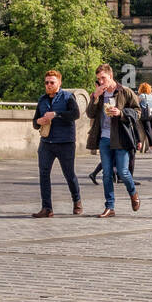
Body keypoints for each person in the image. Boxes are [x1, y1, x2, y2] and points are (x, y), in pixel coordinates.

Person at [86, 64, 140, 217]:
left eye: (103, 78)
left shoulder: (125, 92)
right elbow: (90, 114)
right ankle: (110, 206)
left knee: (123, 172)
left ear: (111, 76)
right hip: (104, 138)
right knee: (107, 173)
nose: (101, 81)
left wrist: (121, 113)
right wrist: (95, 97)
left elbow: (138, 112)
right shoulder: (99, 94)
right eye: (98, 79)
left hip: (120, 138)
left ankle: (133, 193)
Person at [32, 69, 82, 217]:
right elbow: (35, 122)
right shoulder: (42, 100)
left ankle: (77, 201)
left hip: (65, 142)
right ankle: (47, 208)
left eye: (52, 82)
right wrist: (38, 121)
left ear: (59, 83)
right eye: (46, 82)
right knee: (44, 174)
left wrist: (56, 114)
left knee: (69, 174)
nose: (48, 85)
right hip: (46, 143)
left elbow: (75, 114)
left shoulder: (68, 97)